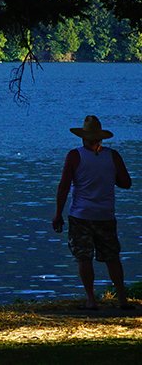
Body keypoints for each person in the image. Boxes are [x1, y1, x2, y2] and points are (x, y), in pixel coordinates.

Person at [52, 114, 134, 311]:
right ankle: (122, 299)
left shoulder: (75, 156)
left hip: (81, 216)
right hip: (106, 215)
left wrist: (58, 214)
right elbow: (126, 183)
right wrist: (107, 177)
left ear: (83, 137)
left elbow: (64, 186)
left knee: (84, 257)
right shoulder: (112, 156)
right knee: (112, 257)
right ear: (101, 138)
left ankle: (91, 300)